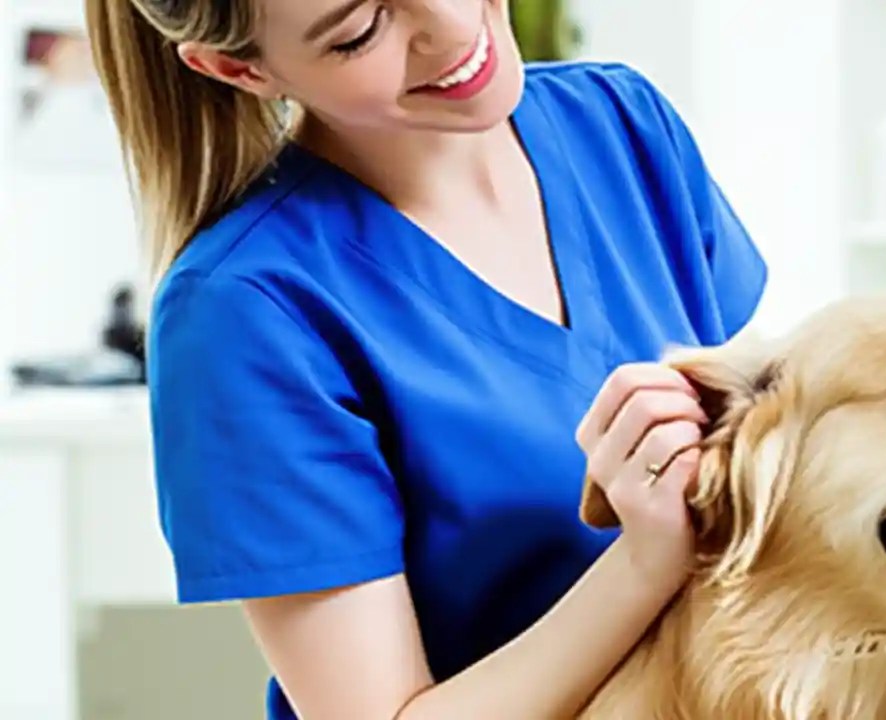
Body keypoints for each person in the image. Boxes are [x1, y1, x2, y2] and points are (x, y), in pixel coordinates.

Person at [85, 0, 767, 718]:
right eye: (359, 34)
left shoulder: (622, 125)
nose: (450, 24)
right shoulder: (247, 309)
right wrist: (642, 560)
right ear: (240, 68)